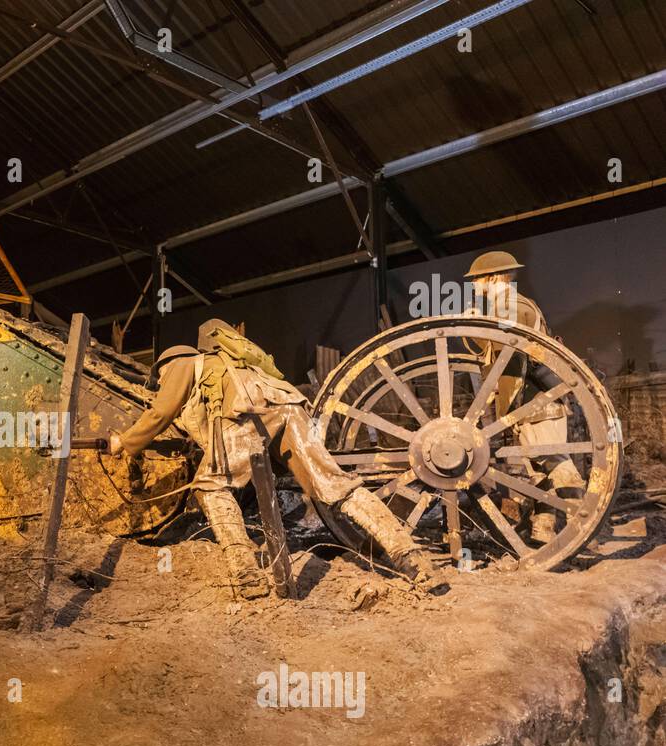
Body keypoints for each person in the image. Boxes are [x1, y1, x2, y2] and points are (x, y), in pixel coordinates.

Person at [108, 319, 437, 599]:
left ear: (167, 365)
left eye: (160, 377)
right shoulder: (234, 365)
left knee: (211, 487)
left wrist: (125, 441)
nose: (162, 381)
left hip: (248, 414)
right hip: (291, 408)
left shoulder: (182, 364)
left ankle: (244, 572)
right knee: (338, 487)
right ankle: (414, 560)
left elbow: (160, 412)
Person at [465, 251, 581, 544]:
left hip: (537, 400)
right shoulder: (503, 308)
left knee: (555, 463)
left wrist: (478, 325)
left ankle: (583, 524)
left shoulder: (511, 306)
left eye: (477, 279)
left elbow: (509, 354)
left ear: (491, 277)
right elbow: (497, 354)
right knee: (539, 469)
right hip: (527, 404)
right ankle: (544, 531)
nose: (474, 285)